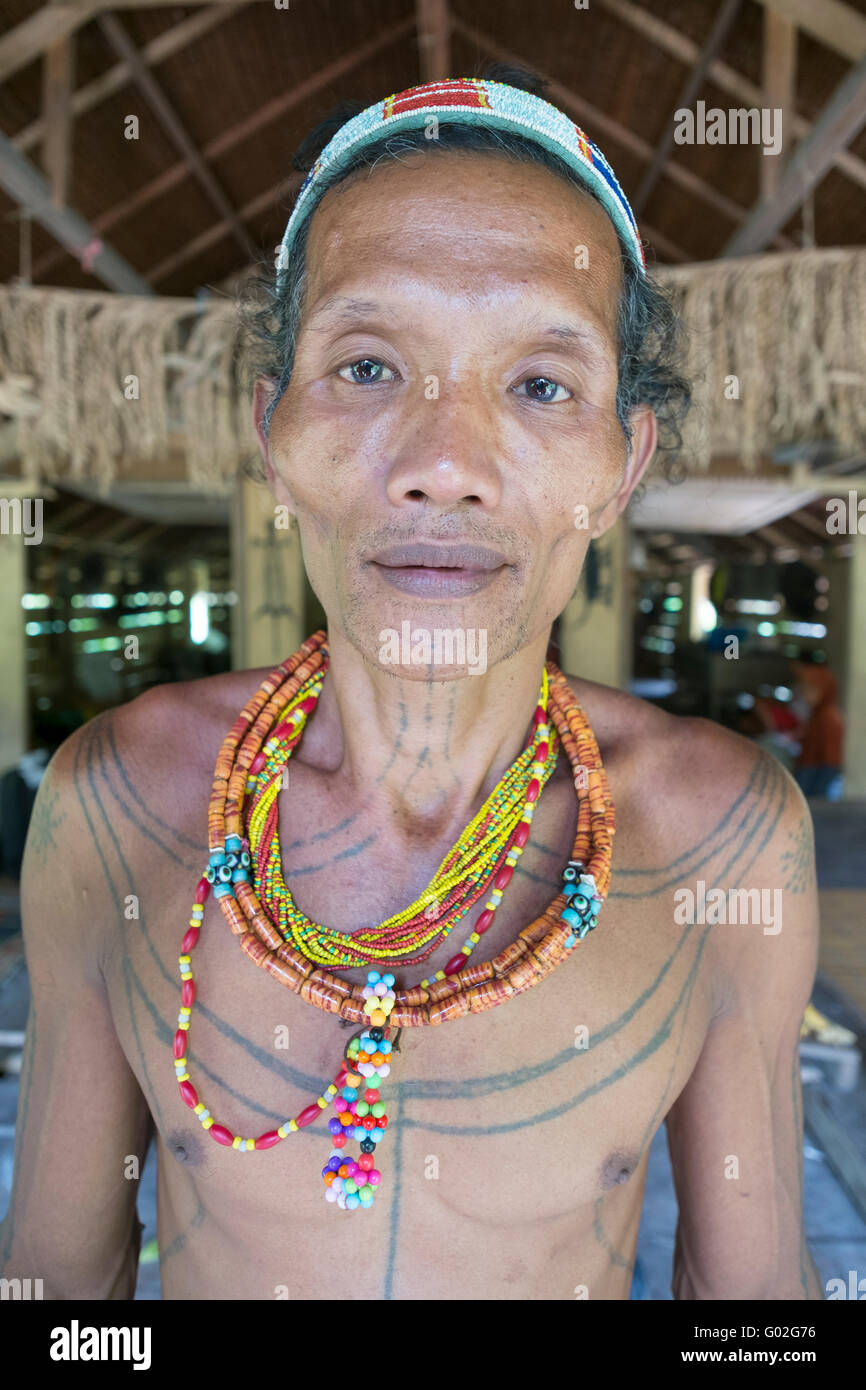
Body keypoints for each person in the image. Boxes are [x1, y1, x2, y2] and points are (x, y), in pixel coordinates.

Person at [0, 65, 823, 1301]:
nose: (444, 465)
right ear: (273, 430)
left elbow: (753, 1311)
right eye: (368, 366)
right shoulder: (113, 805)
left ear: (619, 462)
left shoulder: (724, 837)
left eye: (541, 384)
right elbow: (60, 1298)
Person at [792, 660, 845, 799]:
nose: (805, 693)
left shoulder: (828, 717)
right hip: (809, 772)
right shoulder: (816, 715)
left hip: (815, 777)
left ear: (823, 689)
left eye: (811, 688)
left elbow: (830, 761)